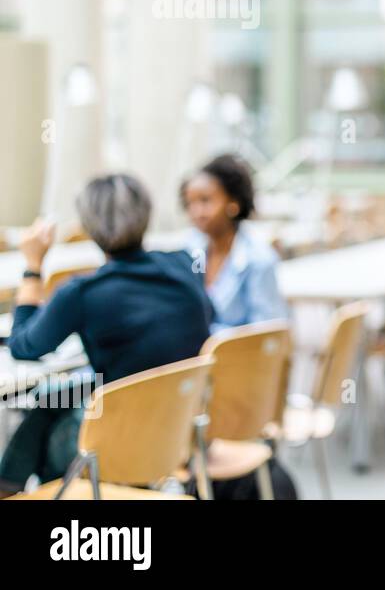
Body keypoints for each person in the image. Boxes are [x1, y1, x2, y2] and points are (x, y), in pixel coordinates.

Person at [0, 174, 213, 495]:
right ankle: (8, 486)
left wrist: (33, 265)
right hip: (180, 431)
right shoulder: (186, 265)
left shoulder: (82, 293)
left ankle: (9, 487)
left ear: (88, 225)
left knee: (49, 408)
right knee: (52, 399)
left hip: (117, 445)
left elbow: (23, 347)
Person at [180, 153, 287, 334]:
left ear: (233, 203)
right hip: (197, 356)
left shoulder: (259, 259)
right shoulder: (191, 248)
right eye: (190, 203)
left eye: (205, 201)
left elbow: (266, 333)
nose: (196, 212)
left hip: (241, 359)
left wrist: (205, 334)